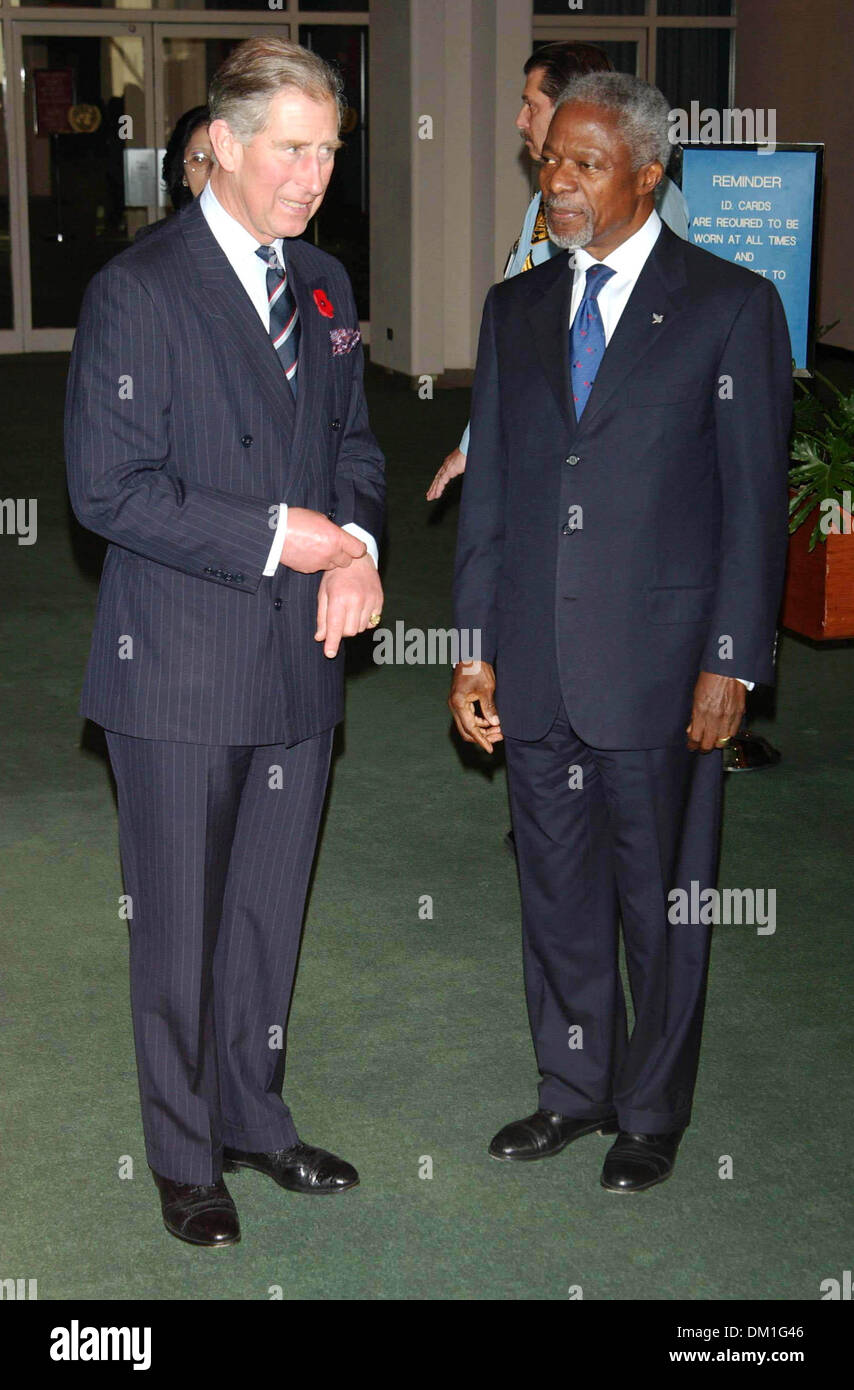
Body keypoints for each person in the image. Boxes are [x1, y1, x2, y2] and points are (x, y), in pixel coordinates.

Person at [65, 37, 385, 1246]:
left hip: (299, 657)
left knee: (264, 908)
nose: (313, 176)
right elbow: (108, 488)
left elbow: (354, 445)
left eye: (329, 153)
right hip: (180, 665)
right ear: (225, 145)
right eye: (293, 150)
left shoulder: (326, 286)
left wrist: (353, 543)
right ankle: (184, 1152)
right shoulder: (138, 290)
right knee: (180, 923)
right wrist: (277, 535)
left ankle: (254, 1112)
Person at [448, 72, 791, 1193]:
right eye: (550, 158)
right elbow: (490, 493)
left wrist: (729, 662)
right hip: (536, 664)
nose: (556, 180)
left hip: (660, 669)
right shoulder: (515, 309)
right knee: (553, 888)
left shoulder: (730, 306)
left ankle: (650, 1109)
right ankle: (571, 1088)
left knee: (659, 903)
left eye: (584, 163)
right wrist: (472, 645)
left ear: (647, 174)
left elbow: (750, 507)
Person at [427, 42, 689, 502]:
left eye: (532, 105)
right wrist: (477, 440)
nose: (520, 120)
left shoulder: (651, 205)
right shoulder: (549, 203)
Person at [134, 104, 213, 241]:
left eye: (224, 157)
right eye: (199, 159)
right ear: (183, 175)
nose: (214, 171)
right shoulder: (154, 245)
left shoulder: (261, 235)